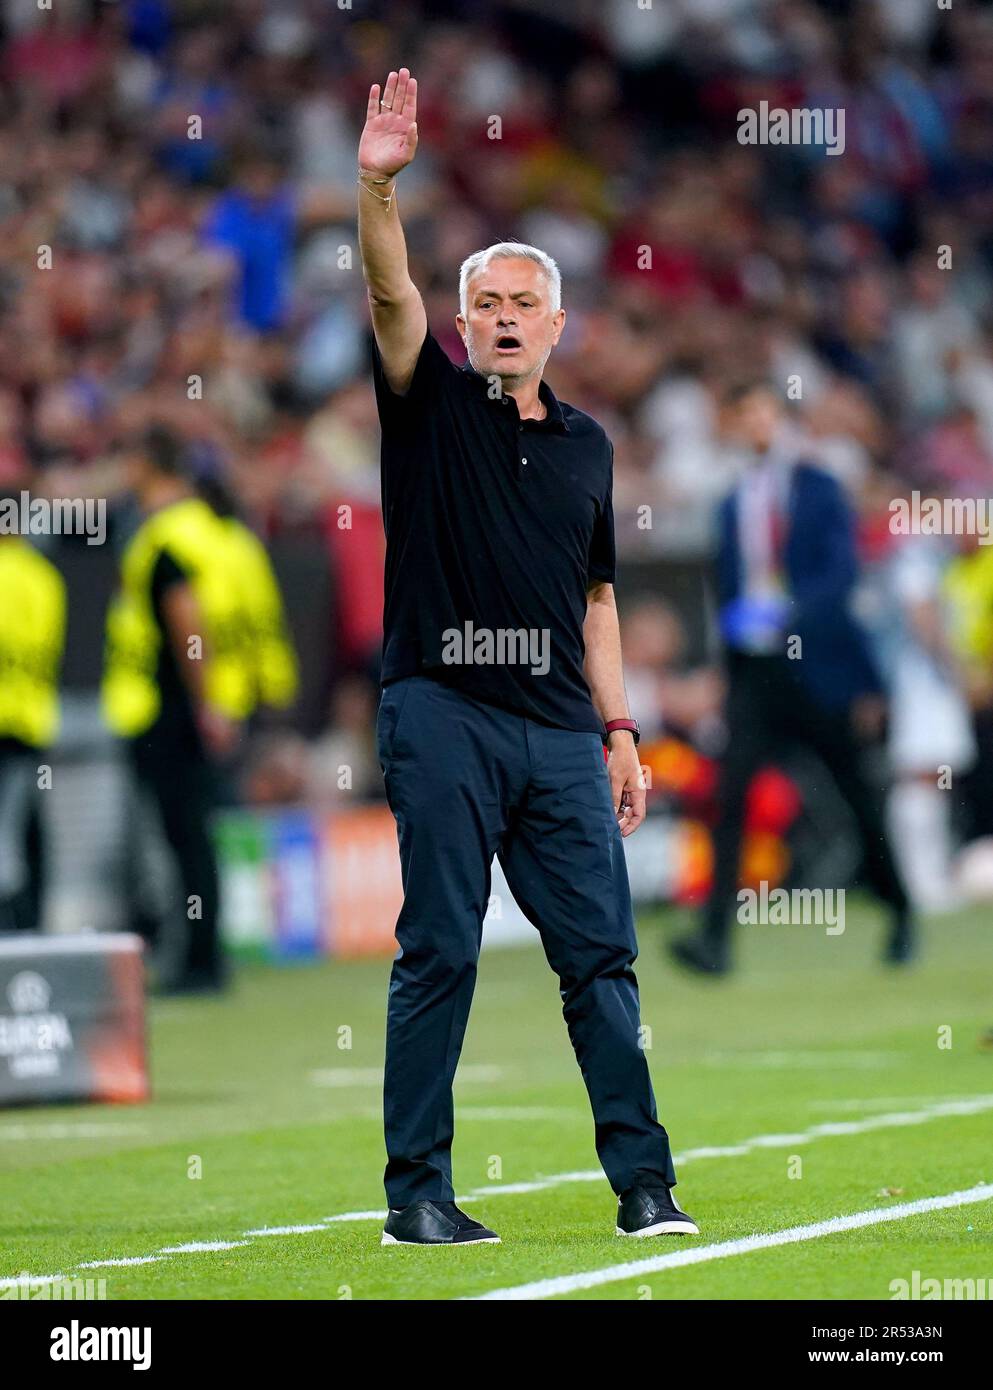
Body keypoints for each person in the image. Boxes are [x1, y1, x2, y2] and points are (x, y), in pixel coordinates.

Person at [357, 68, 696, 1248]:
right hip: (441, 708)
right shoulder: (429, 404)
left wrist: (620, 729)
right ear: (464, 327)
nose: (501, 316)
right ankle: (418, 1195)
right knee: (442, 945)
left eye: (522, 302)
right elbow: (389, 291)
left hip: (560, 732)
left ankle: (646, 1185)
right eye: (484, 302)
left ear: (557, 325)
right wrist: (378, 189)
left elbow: (596, 598)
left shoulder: (591, 448)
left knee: (604, 957)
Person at [670, 381, 915, 976]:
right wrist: (727, 665)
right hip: (757, 673)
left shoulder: (820, 490)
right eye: (743, 415)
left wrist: (787, 613)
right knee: (730, 798)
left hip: (819, 672)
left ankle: (900, 907)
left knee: (856, 794)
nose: (754, 426)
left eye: (763, 413)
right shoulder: (731, 504)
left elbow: (839, 579)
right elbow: (727, 593)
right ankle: (715, 940)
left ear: (785, 421)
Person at [102, 426, 240, 994]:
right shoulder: (209, 530)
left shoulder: (162, 538)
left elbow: (186, 620)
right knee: (195, 835)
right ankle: (204, 954)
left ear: (143, 465)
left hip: (169, 708)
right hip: (199, 703)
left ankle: (199, 961)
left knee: (184, 838)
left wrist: (204, 703)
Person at [0, 521, 66, 932]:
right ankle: (31, 929)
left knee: (6, 834)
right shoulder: (43, 575)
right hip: (33, 720)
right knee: (28, 834)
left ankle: (10, 929)